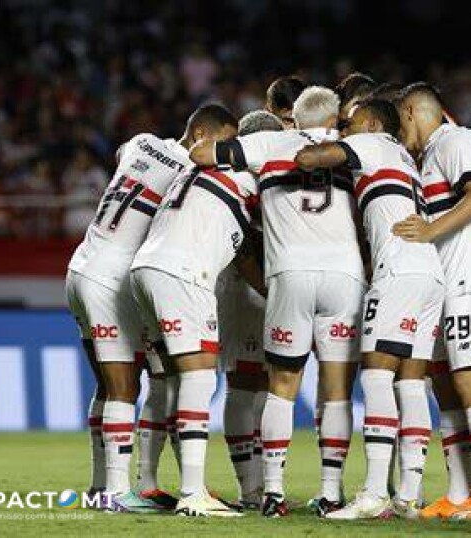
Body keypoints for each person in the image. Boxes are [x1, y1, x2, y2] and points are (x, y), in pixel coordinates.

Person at [190, 86, 366, 518]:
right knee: (337, 389)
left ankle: (270, 493)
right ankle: (331, 492)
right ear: (335, 118)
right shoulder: (356, 147)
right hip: (345, 275)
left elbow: (201, 154)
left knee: (282, 389)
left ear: (294, 118)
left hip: (288, 275)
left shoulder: (269, 143)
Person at [295, 98, 444, 520]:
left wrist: (310, 145)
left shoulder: (374, 142)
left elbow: (314, 158)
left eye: (350, 122)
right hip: (429, 274)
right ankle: (409, 496)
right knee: (411, 384)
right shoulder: (406, 160)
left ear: (374, 123)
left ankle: (375, 492)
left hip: (397, 270)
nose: (344, 127)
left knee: (377, 376)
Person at [65, 107, 215, 511]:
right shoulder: (191, 169)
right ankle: (116, 492)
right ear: (200, 134)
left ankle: (100, 487)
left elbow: (120, 154)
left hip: (81, 265)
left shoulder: (143, 142)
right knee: (125, 388)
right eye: (219, 140)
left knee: (105, 385)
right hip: (111, 278)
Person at [392, 83, 471, 520]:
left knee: (468, 378)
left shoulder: (453, 141)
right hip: (448, 284)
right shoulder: (430, 158)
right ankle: (460, 493)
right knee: (447, 386)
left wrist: (428, 231)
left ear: (410, 111)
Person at [129, 104, 253, 517]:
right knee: (200, 377)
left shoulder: (187, 171)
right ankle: (193, 492)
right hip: (183, 273)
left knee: (165, 381)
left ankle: (147, 482)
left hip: (144, 269)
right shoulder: (244, 175)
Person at [218, 110, 284, 510]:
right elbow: (238, 239)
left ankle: (258, 486)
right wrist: (263, 285)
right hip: (246, 285)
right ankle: (251, 490)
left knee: (262, 382)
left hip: (262, 284)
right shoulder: (245, 180)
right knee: (245, 383)